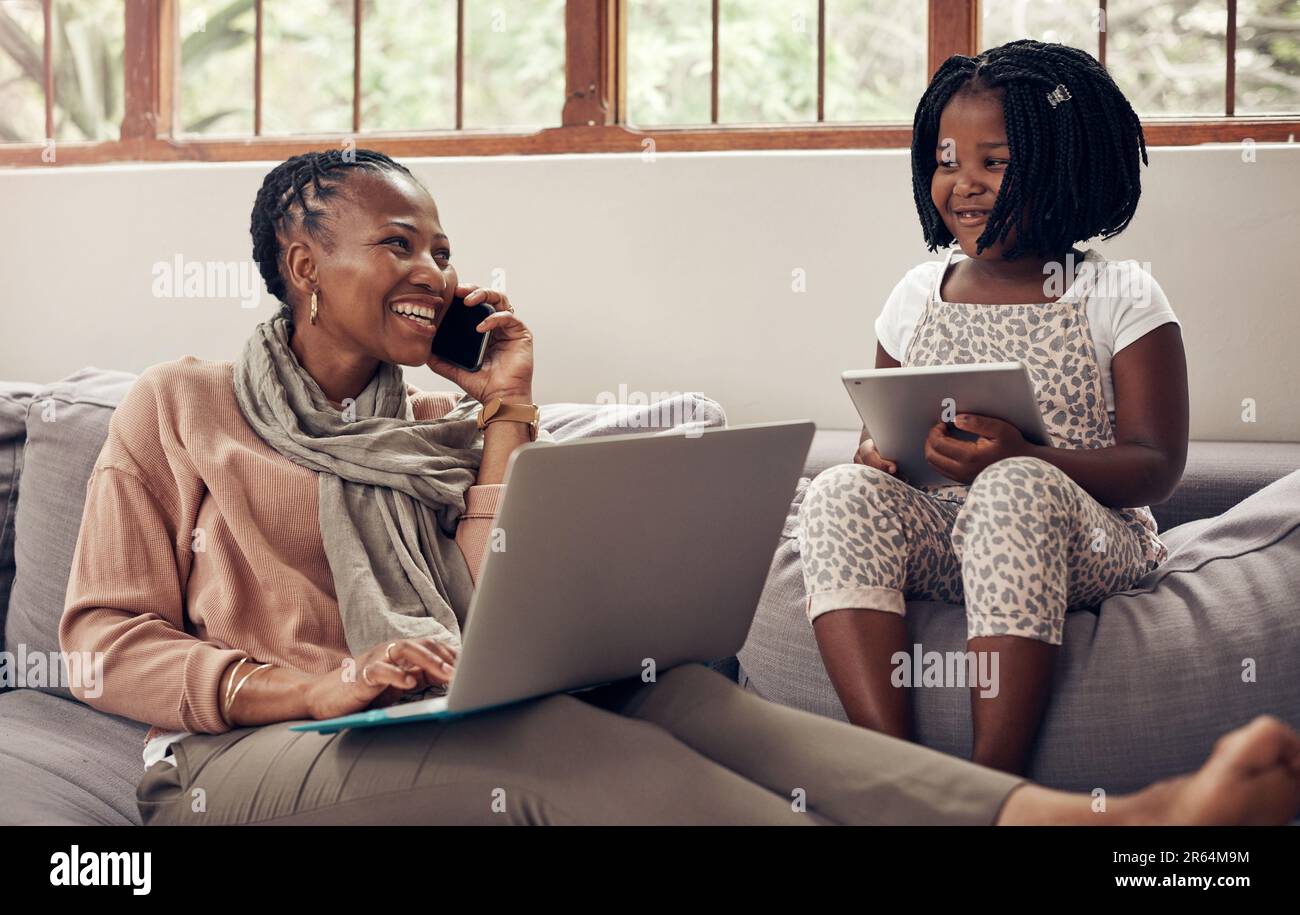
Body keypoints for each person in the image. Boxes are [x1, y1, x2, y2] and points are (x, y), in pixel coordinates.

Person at [59, 148, 1300, 825]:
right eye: (400, 244)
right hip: (243, 760)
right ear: (300, 259)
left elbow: (490, 622)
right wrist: (318, 679)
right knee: (550, 736)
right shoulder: (181, 405)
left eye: (442, 246)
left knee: (685, 701)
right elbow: (100, 647)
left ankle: (1084, 825)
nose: (435, 270)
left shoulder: (431, 427)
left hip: (432, 718)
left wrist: (507, 416)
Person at [798, 40, 1191, 776]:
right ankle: (895, 774)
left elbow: (1158, 465)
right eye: (947, 160)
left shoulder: (1121, 295)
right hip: (950, 533)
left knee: (1014, 488)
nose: (965, 184)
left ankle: (990, 785)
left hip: (1088, 541)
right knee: (838, 490)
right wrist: (875, 455)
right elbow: (880, 438)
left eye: (995, 161)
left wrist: (1025, 458)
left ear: (1064, 164)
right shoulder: (917, 293)